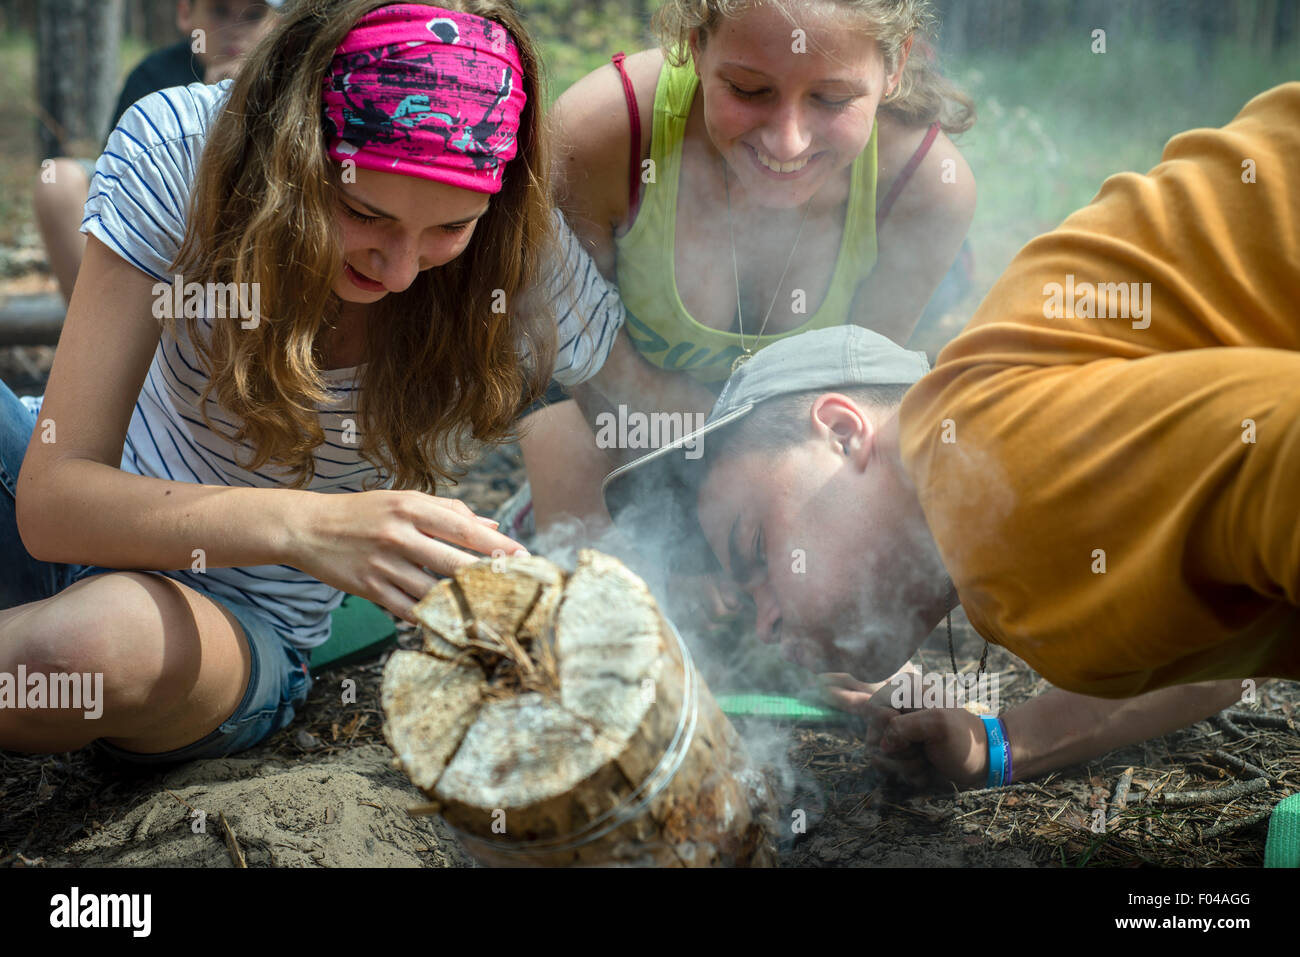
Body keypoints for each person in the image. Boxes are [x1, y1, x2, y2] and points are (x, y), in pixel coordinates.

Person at [602, 81, 1300, 790]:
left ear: (842, 431)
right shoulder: (988, 477)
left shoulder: (986, 465)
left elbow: (1277, 450)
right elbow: (1214, 653)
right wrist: (1001, 742)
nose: (765, 628)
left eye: (755, 550)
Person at [0, 1, 622, 763]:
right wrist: (315, 527)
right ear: (291, 153)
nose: (398, 270)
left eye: (449, 228)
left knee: (70, 657)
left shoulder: (519, 252)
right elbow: (53, 499)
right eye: (363, 212)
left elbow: (651, 413)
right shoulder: (185, 150)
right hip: (52, 501)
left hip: (228, 614)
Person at [506, 0, 976, 541]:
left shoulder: (924, 189)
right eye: (749, 91)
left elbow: (852, 405)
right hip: (606, 410)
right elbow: (574, 365)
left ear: (895, 68)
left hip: (782, 443)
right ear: (695, 46)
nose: (787, 142)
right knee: (596, 583)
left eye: (832, 98)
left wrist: (748, 523)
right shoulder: (601, 137)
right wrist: (676, 512)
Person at [34, 0, 284, 304]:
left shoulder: (287, 80)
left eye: (254, 15)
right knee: (57, 182)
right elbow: (115, 186)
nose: (234, 29)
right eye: (219, 10)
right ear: (185, 13)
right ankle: (100, 330)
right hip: (156, 242)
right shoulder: (153, 76)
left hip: (246, 261)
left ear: (276, 22)